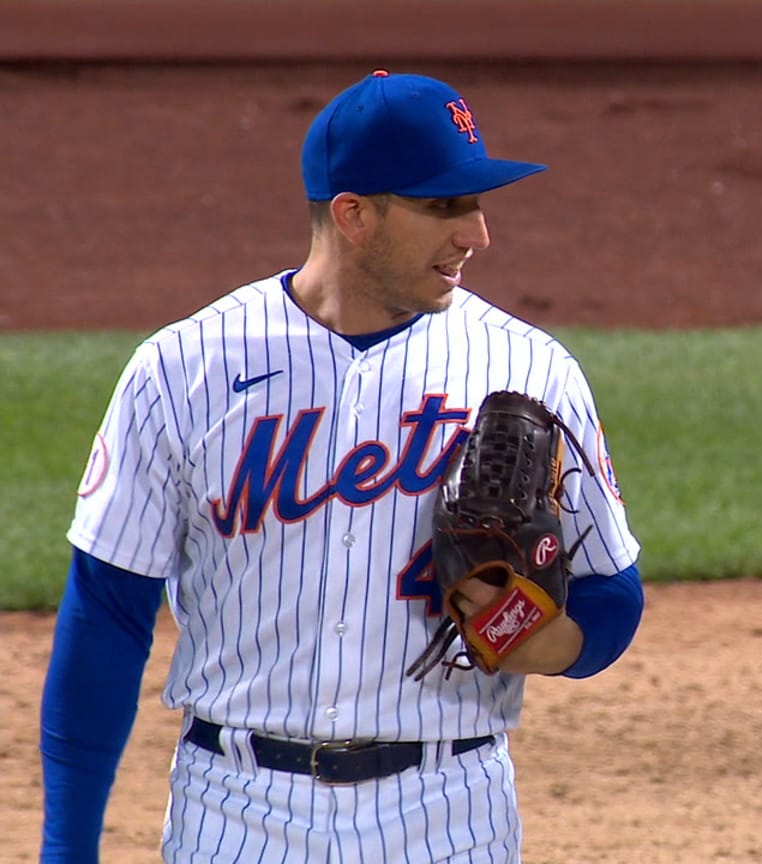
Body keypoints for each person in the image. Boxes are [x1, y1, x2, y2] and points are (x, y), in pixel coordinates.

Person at [39, 70, 644, 863]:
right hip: (236, 808)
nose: (478, 233)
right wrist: (66, 850)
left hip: (450, 808)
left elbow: (612, 595)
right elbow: (106, 615)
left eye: (477, 204)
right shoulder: (184, 367)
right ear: (355, 214)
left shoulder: (530, 368)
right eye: (444, 207)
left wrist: (550, 642)